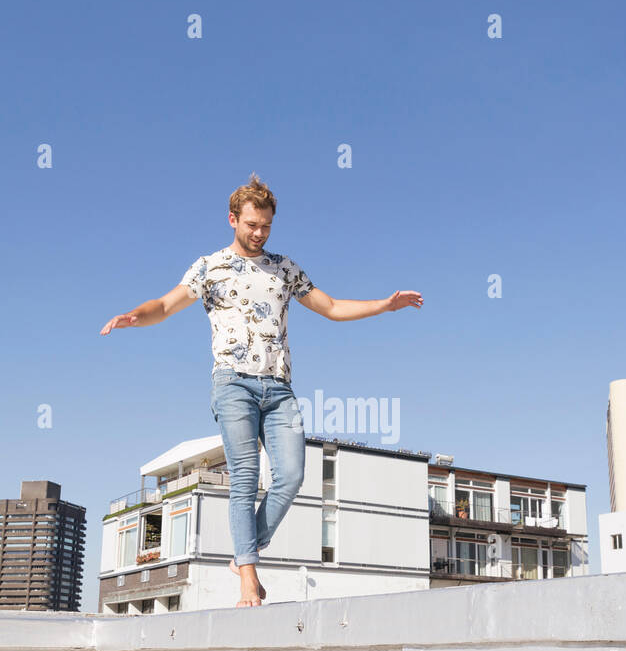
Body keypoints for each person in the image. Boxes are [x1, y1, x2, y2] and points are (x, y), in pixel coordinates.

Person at [100, 173, 422, 607]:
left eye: (266, 226)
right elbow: (165, 305)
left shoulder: (284, 268)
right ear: (233, 219)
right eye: (252, 224)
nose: (259, 233)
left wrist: (386, 304)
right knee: (246, 477)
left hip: (279, 388)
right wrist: (134, 315)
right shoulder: (208, 267)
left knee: (291, 475)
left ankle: (243, 553)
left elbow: (330, 307)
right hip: (232, 383)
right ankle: (248, 579)